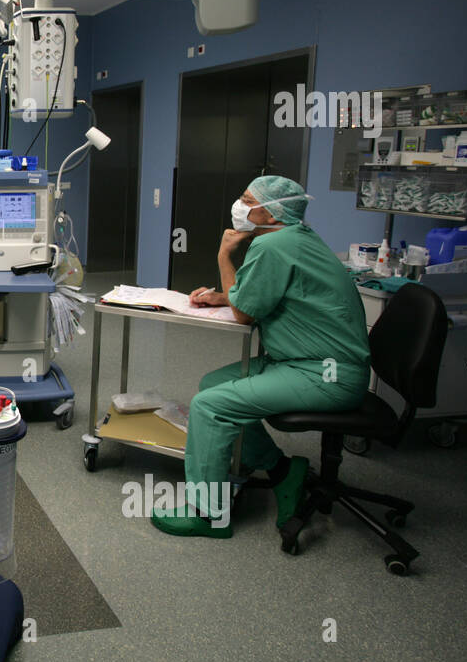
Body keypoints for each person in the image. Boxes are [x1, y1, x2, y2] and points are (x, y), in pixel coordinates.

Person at [153, 175, 370, 539]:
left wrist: (224, 254)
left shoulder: (271, 246)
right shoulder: (296, 238)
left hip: (323, 374)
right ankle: (281, 469)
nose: (239, 204)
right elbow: (269, 295)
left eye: (247, 199)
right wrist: (225, 296)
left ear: (271, 214)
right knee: (215, 383)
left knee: (209, 405)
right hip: (305, 360)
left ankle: (209, 514)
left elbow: (244, 314)